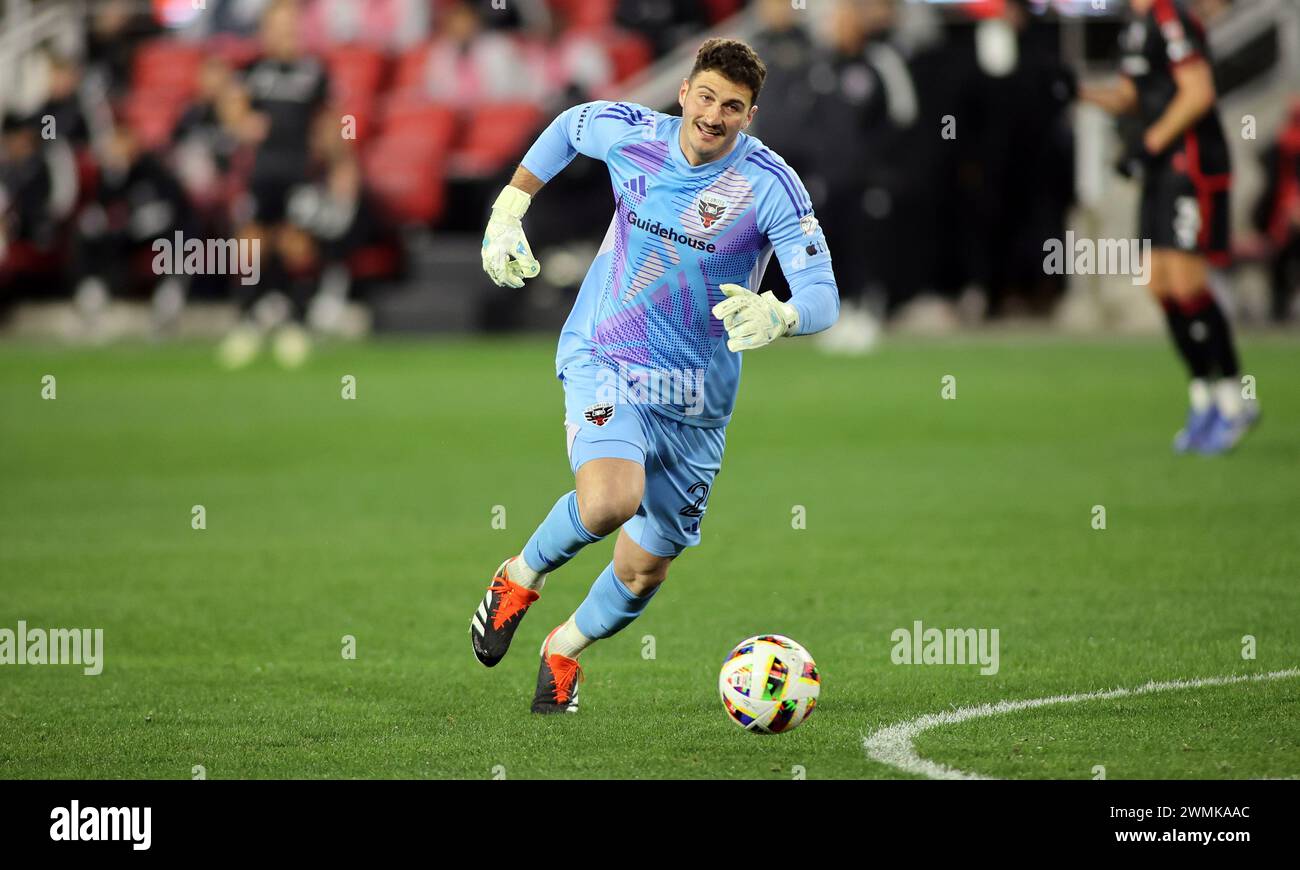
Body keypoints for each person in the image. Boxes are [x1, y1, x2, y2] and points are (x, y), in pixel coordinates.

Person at [469, 38, 839, 714]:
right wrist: (509, 208)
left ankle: (562, 650)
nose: (714, 115)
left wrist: (782, 315)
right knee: (611, 498)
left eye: (733, 106)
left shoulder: (769, 185)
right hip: (606, 356)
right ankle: (517, 578)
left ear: (749, 116)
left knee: (643, 570)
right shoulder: (631, 133)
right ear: (684, 94)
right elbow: (566, 126)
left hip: (697, 402)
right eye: (706, 97)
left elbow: (823, 293)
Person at [1081, 0, 1255, 454]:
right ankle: (1202, 395)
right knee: (1157, 285)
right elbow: (1130, 95)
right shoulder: (1135, 26)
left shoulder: (1171, 17)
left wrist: (1150, 143)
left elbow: (1197, 91)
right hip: (1160, 170)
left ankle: (1235, 399)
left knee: (1188, 284)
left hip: (1189, 166)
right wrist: (1076, 91)